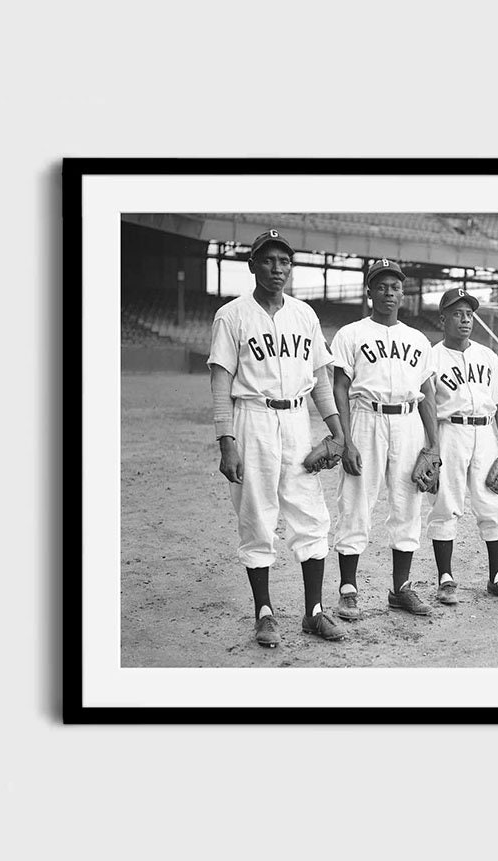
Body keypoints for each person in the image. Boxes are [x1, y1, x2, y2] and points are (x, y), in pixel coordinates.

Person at [207, 229, 345, 646]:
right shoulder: (231, 315)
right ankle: (264, 612)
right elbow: (220, 380)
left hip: (297, 419)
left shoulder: (304, 314)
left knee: (311, 513)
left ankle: (314, 612)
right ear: (252, 264)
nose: (277, 268)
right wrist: (226, 440)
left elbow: (321, 379)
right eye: (268, 260)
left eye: (284, 261)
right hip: (253, 417)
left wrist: (338, 432)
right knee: (257, 515)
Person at [330, 259, 439, 619]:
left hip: (407, 422)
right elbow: (340, 388)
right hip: (366, 418)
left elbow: (427, 393)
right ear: (370, 292)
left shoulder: (417, 339)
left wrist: (434, 445)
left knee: (408, 503)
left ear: (402, 293)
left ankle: (401, 588)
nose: (389, 292)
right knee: (356, 500)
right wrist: (346, 439)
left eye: (395, 287)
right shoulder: (351, 333)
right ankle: (348, 589)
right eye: (381, 286)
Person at [426, 287, 498, 605]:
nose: (465, 319)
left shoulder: (487, 355)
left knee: (495, 506)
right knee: (445, 503)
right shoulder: (431, 357)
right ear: (443, 319)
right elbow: (424, 406)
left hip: (484, 435)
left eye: (469, 314)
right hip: (450, 432)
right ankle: (446, 578)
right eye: (457, 313)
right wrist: (432, 447)